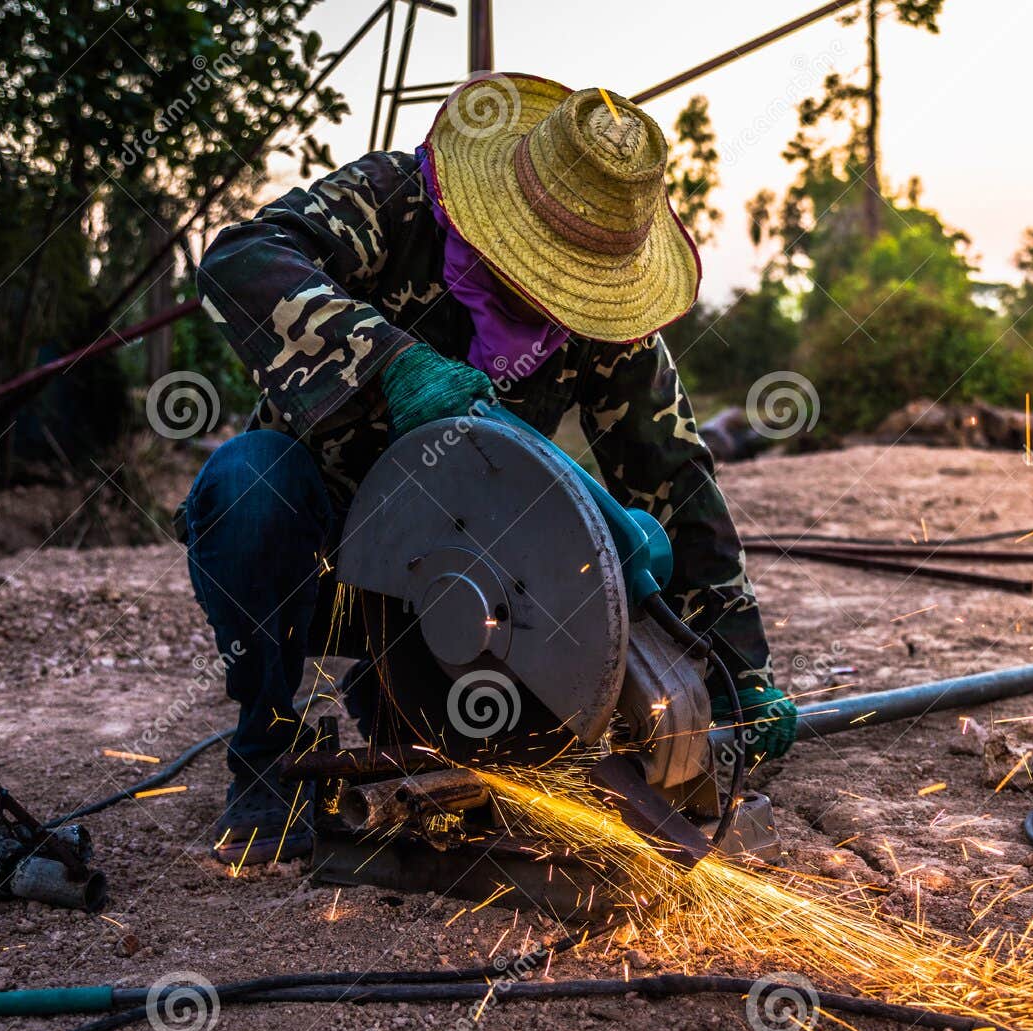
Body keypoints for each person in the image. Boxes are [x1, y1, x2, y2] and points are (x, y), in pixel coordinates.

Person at [184, 74, 796, 863]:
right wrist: (390, 364)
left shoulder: (604, 314)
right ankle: (266, 748)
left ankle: (400, 696)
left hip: (459, 583)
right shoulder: (392, 200)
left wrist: (739, 667)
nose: (552, 297)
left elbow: (674, 479)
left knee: (474, 746)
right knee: (247, 487)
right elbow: (240, 259)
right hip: (321, 558)